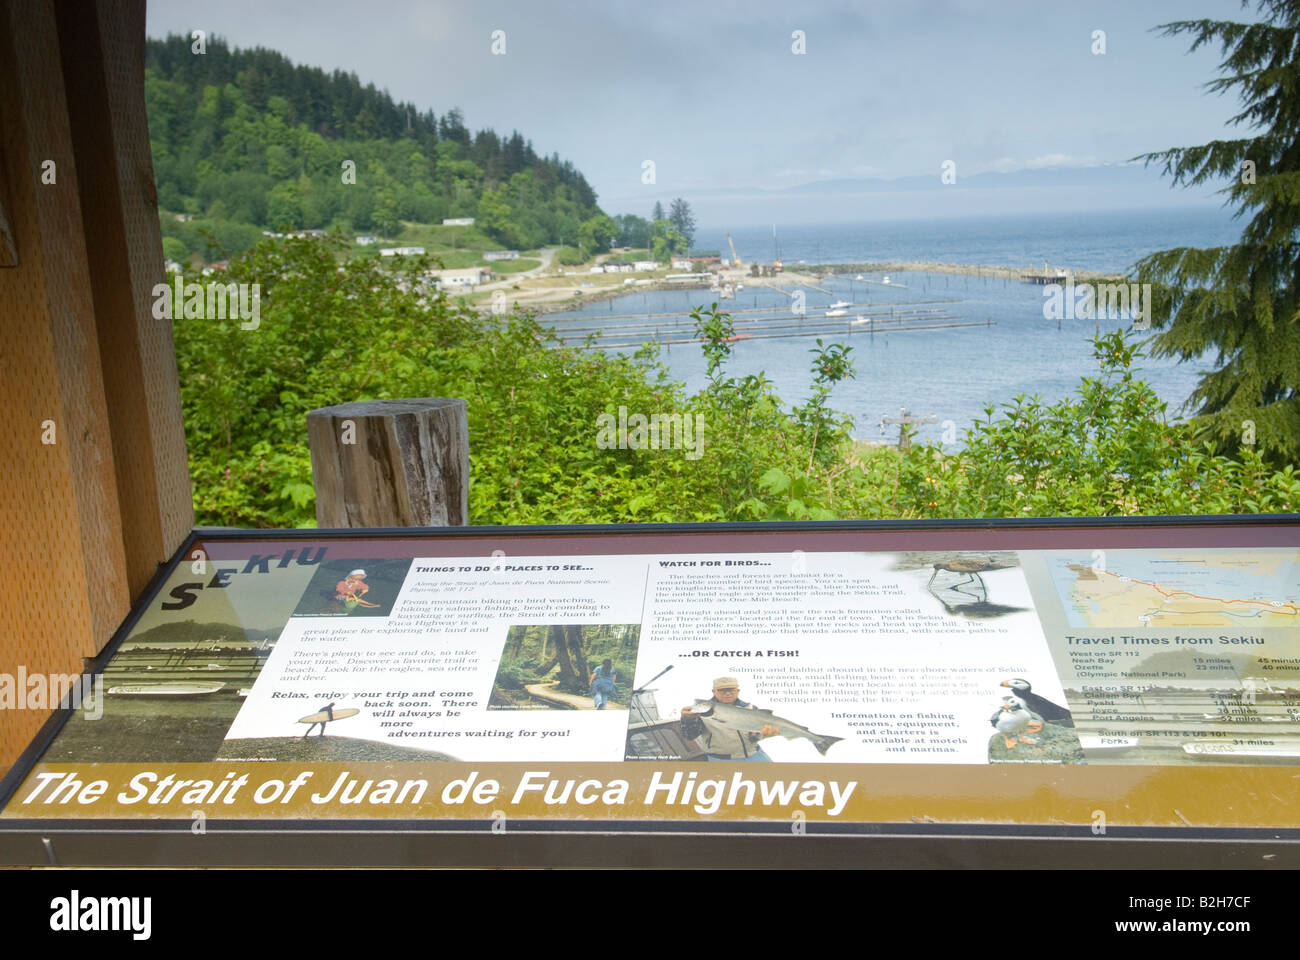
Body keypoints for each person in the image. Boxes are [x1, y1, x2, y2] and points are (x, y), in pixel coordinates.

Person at [679, 676, 777, 761]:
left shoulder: (751, 708)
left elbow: (753, 737)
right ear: (713, 691)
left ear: (738, 691)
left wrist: (763, 735)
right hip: (721, 760)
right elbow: (690, 736)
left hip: (756, 755)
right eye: (722, 690)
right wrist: (688, 719)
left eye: (731, 689)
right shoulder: (701, 711)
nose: (727, 693)